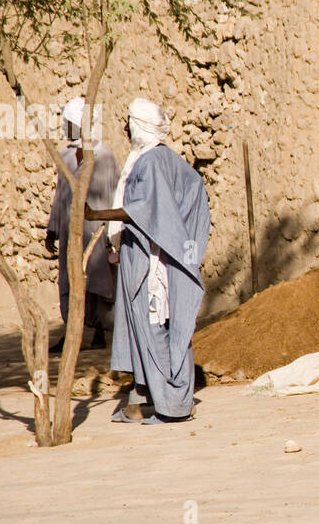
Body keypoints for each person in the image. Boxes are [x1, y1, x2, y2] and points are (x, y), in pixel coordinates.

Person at [86, 99, 210, 424]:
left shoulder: (152, 161)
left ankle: (172, 405)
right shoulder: (165, 158)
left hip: (152, 262)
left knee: (155, 327)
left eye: (128, 122)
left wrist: (94, 214)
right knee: (163, 328)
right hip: (157, 255)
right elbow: (192, 189)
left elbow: (144, 208)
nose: (124, 128)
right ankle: (153, 398)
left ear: (139, 126)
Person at [45, 98, 120, 352]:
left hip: (96, 226)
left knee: (98, 280)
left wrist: (112, 230)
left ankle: (99, 332)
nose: (64, 126)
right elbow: (61, 194)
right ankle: (72, 334)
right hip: (70, 228)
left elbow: (113, 191)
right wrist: (53, 228)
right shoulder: (66, 154)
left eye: (68, 122)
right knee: (70, 280)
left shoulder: (104, 155)